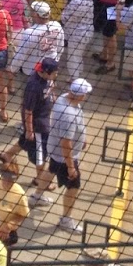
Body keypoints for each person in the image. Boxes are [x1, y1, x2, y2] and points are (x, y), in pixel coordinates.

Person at [50, 77, 92, 233]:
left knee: (51, 170)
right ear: (80, 95)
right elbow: (66, 144)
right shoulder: (68, 115)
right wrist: (70, 168)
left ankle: (37, 195)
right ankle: (66, 220)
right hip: (65, 157)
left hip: (55, 151)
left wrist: (81, 138)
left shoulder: (64, 99)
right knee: (74, 187)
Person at [19, 55, 60, 199]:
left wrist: (52, 97)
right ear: (46, 72)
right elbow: (28, 111)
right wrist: (30, 131)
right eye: (54, 73)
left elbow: (51, 88)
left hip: (46, 121)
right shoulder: (33, 86)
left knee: (26, 143)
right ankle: (40, 180)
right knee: (40, 155)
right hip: (38, 126)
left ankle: (7, 156)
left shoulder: (47, 77)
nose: (56, 75)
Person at [0, 151, 30, 246]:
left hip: (3, 233)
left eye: (11, 180)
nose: (8, 182)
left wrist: (8, 226)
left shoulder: (20, 194)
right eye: (5, 178)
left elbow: (22, 215)